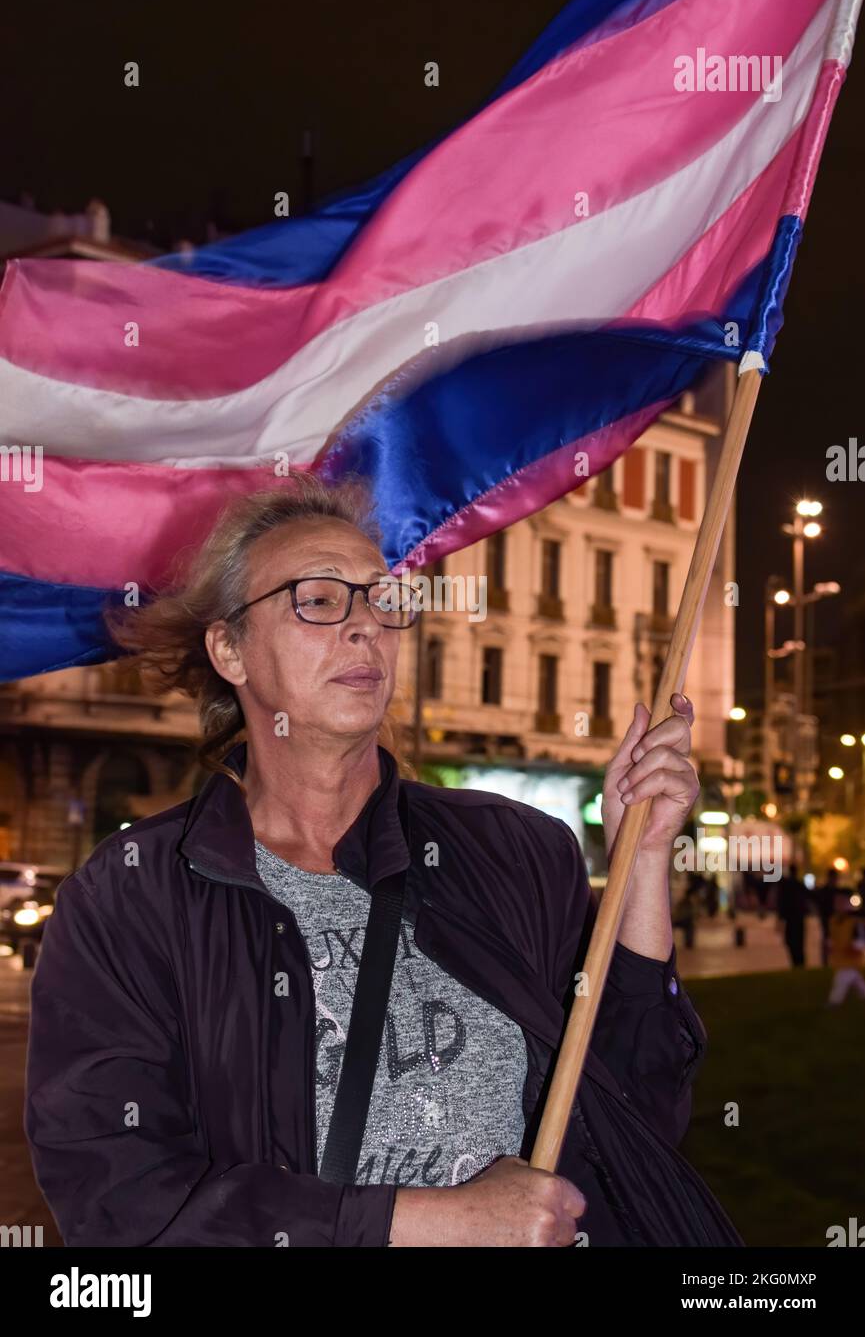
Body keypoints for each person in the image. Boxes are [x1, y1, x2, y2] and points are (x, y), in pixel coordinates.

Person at [24, 474, 740, 1247]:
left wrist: (642, 864)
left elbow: (640, 1107)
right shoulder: (131, 896)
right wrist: (428, 1223)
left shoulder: (516, 851)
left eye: (382, 599)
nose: (366, 625)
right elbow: (120, 1201)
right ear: (230, 648)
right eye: (319, 600)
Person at [826, 890, 865, 1006]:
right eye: (837, 901)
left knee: (840, 980)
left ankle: (834, 1002)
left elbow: (860, 939)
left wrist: (855, 949)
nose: (839, 904)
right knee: (855, 979)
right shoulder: (834, 920)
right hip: (840, 957)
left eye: (842, 901)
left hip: (851, 958)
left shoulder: (855, 921)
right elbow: (832, 937)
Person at [776, 863, 809, 967]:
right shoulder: (799, 885)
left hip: (791, 920)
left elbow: (781, 903)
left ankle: (797, 963)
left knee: (792, 943)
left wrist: (780, 919)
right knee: (799, 944)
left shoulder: (786, 885)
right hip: (798, 919)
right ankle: (800, 963)